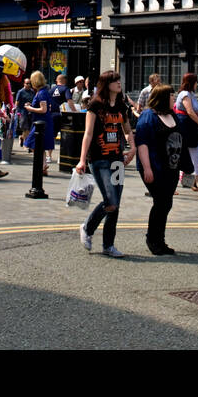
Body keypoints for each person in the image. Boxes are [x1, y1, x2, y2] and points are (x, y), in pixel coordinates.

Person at [76, 71, 135, 257]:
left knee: (115, 203)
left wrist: (132, 148)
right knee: (111, 200)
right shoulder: (95, 105)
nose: (119, 83)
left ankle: (108, 245)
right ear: (106, 84)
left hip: (117, 158)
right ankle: (87, 228)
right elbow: (88, 133)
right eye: (115, 81)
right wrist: (82, 159)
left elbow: (127, 130)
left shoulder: (121, 105)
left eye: (119, 80)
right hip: (99, 158)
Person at [135, 84, 193, 255]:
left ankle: (160, 240)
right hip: (154, 167)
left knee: (166, 203)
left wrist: (186, 166)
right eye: (171, 96)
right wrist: (147, 168)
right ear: (162, 98)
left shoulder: (171, 115)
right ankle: (152, 239)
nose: (174, 99)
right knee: (160, 203)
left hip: (171, 168)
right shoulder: (147, 117)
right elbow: (142, 144)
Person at [175, 73, 198, 195]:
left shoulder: (192, 94)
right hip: (184, 127)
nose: (197, 84)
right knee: (185, 155)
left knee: (194, 155)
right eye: (196, 81)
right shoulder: (184, 94)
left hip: (191, 127)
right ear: (191, 82)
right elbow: (189, 111)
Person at [24, 71, 58, 175]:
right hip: (42, 122)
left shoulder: (42, 93)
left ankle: (42, 164)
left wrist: (30, 108)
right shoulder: (42, 91)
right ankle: (43, 167)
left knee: (32, 144)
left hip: (41, 123)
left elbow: (44, 109)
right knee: (40, 145)